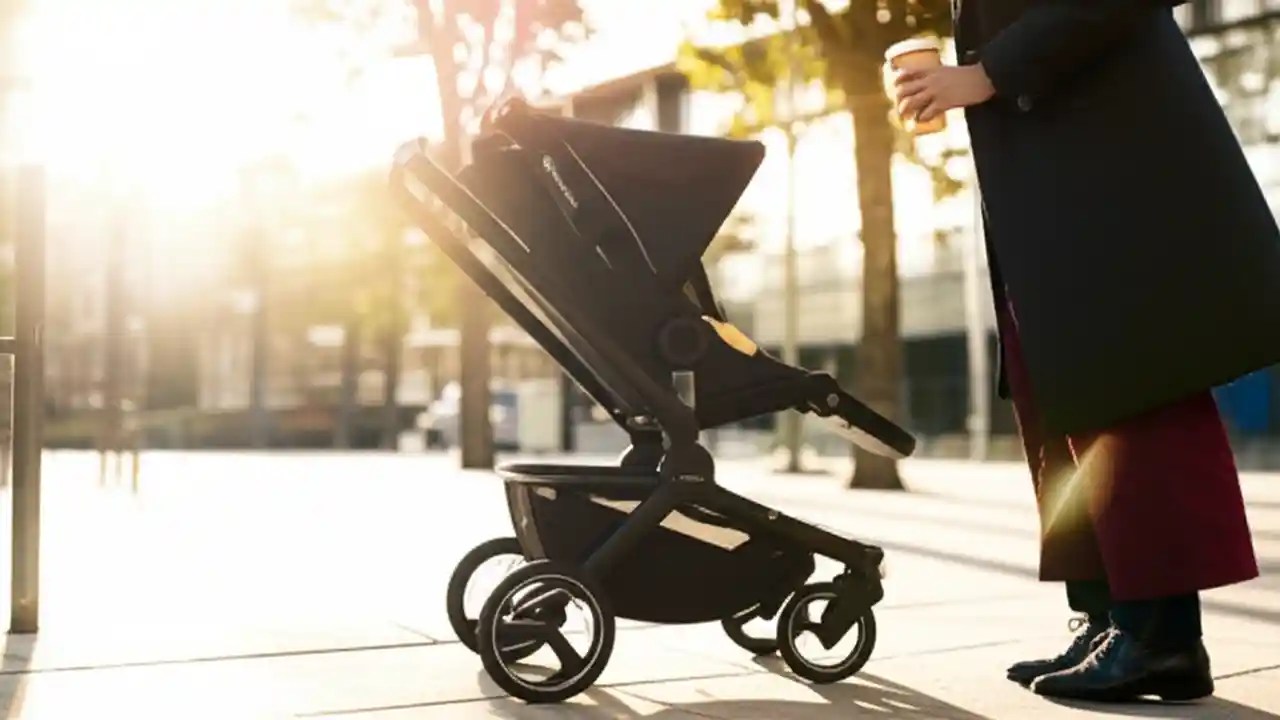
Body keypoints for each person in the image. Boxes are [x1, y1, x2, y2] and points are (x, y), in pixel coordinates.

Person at [890, 0, 1280, 705]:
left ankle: (1160, 638)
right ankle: (1110, 623)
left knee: (1127, 387)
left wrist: (988, 73)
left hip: (1107, 169)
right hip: (1047, 172)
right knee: (1061, 389)